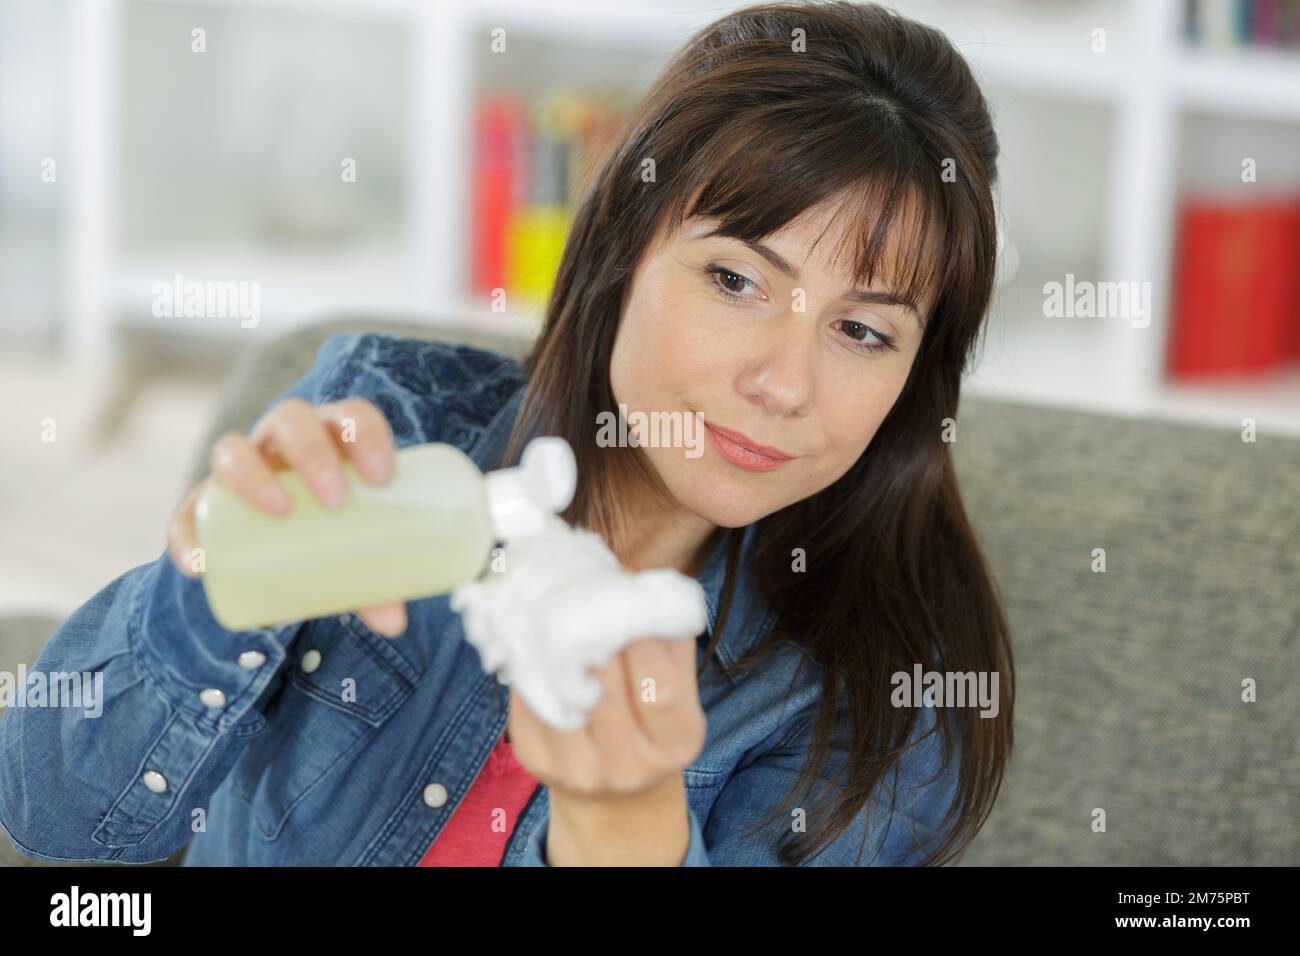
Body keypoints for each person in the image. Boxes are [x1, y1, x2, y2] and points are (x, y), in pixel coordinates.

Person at [0, 0, 1012, 866]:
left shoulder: (890, 705)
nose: (786, 383)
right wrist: (211, 594)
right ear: (619, 248)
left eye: (863, 330)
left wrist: (622, 821)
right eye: (736, 279)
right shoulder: (388, 425)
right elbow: (52, 815)